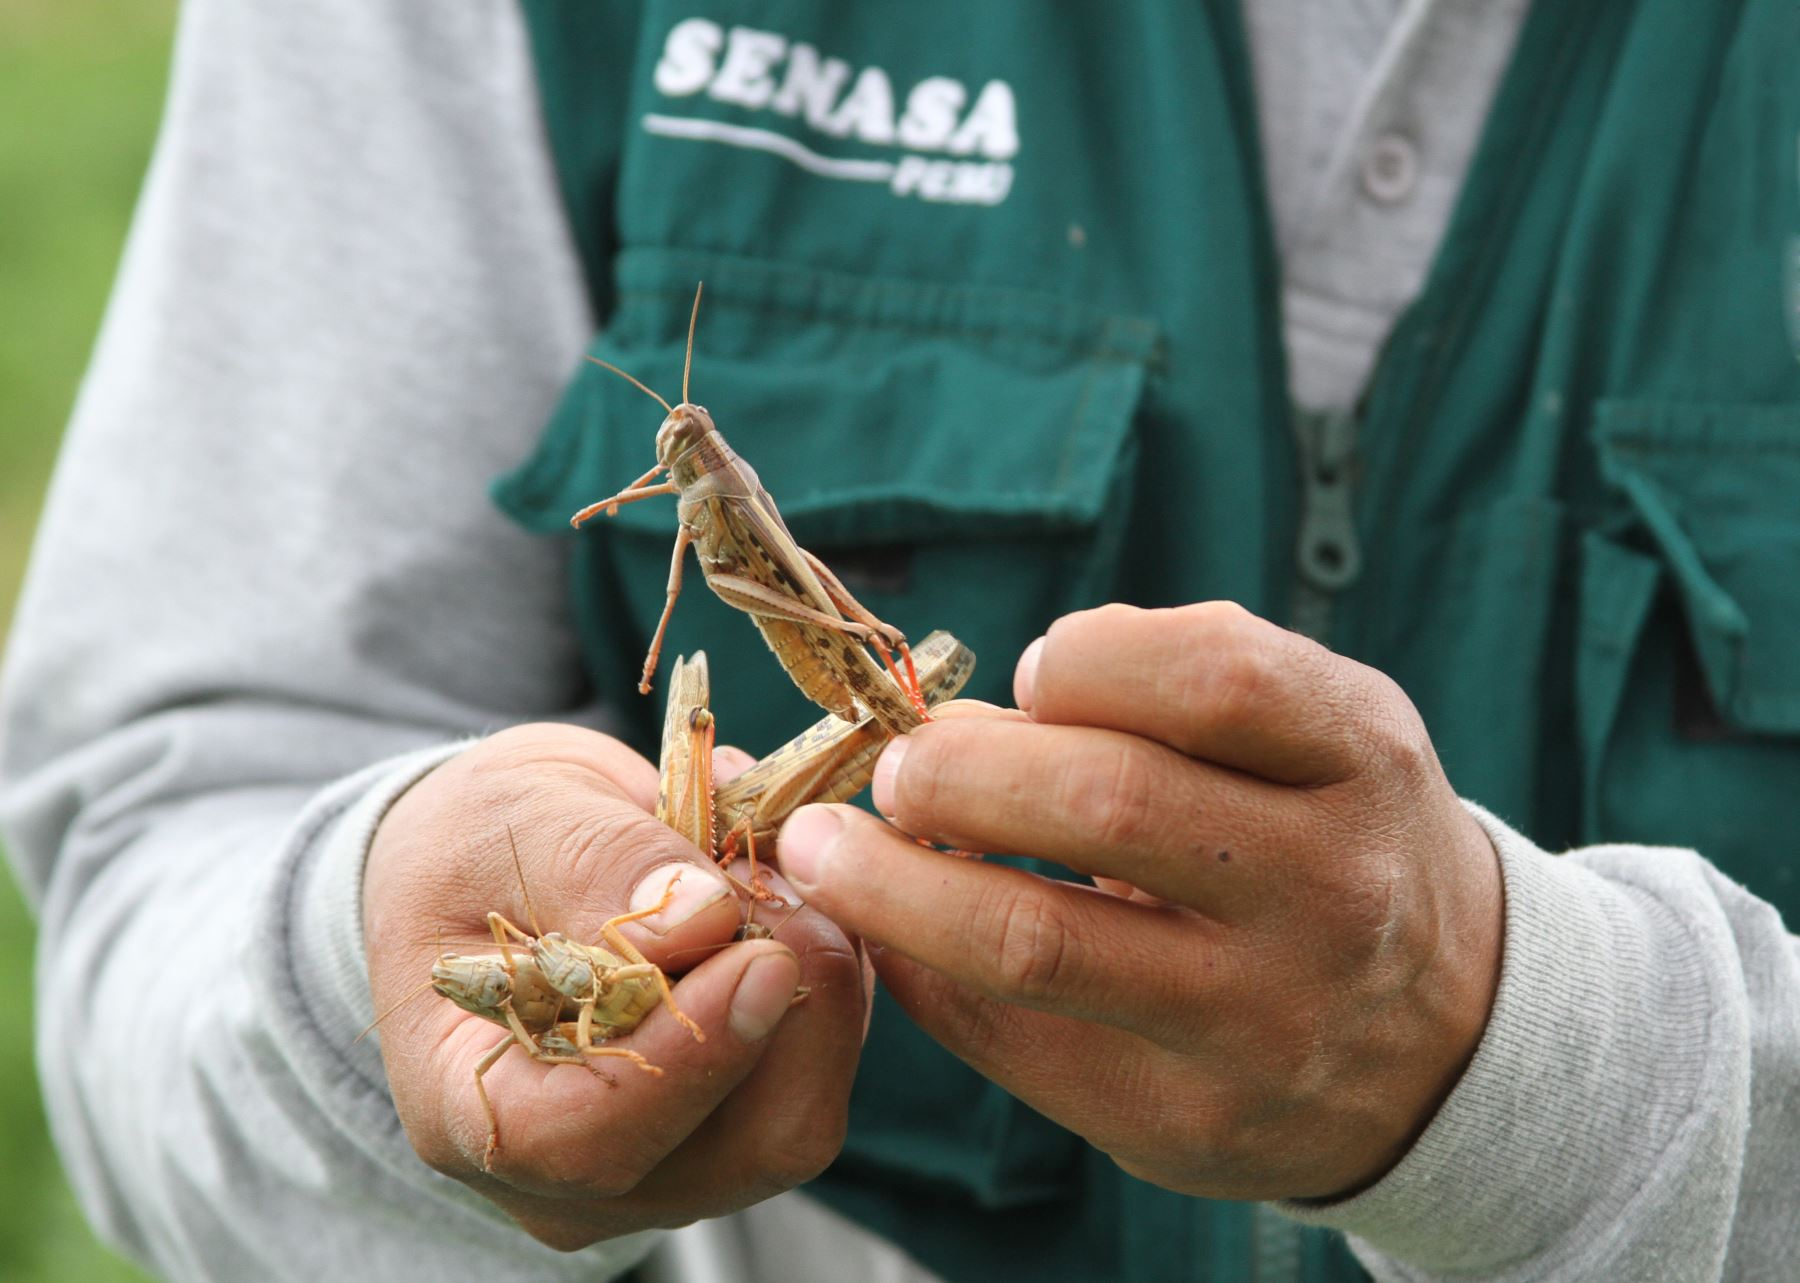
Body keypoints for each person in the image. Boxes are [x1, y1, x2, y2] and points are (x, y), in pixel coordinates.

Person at [3, 3, 1796, 1280]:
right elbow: (168, 838)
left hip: (863, 666)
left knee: (801, 654)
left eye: (685, 448)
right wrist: (360, 958)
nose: (676, 461)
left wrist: (1537, 1073)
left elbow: (758, 579)